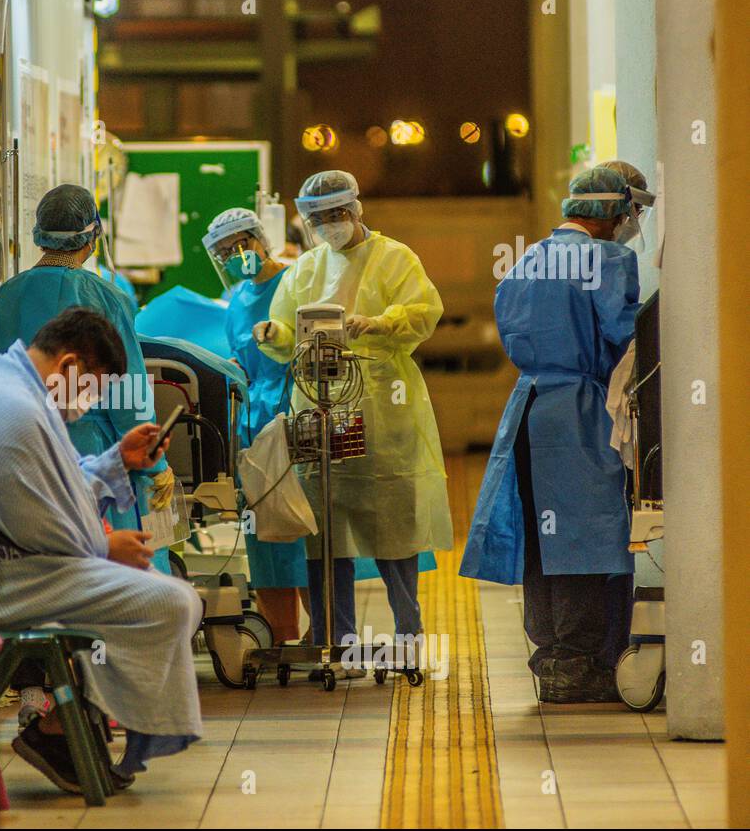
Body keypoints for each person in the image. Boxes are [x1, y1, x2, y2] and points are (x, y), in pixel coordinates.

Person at [0, 307, 204, 792]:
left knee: (167, 596)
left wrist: (117, 459)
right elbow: (51, 529)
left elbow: (62, 487)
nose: (92, 400)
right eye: (94, 387)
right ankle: (56, 728)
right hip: (8, 584)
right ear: (71, 365)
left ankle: (63, 725)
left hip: (19, 569)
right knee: (171, 601)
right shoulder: (16, 411)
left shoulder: (16, 390)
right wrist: (105, 544)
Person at [256, 170, 452, 678]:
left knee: (392, 524)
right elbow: (284, 333)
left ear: (356, 210)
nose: (329, 226)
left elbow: (425, 311)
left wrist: (382, 323)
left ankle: (408, 636)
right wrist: (271, 331)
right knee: (325, 529)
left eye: (336, 216)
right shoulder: (306, 268)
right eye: (319, 219)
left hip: (384, 408)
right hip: (320, 407)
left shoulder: (394, 257)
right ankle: (332, 640)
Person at [461, 165, 641, 704]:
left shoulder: (527, 258)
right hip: (582, 413)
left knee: (546, 540)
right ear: (615, 211)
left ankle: (554, 662)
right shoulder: (609, 259)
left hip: (530, 408)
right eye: (633, 212)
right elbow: (626, 335)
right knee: (590, 537)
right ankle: (586, 663)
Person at [0, 184, 177, 574]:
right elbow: (128, 391)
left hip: (27, 446)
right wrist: (156, 464)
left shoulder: (7, 296)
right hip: (98, 445)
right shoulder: (108, 297)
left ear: (40, 233)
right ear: (92, 234)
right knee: (125, 570)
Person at [206, 207, 309, 643]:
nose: (234, 256)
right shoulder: (236, 303)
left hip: (293, 415)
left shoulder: (293, 283)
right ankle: (279, 638)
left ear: (259, 239)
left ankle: (322, 631)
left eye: (239, 245)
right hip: (252, 426)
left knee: (300, 528)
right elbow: (243, 362)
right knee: (264, 536)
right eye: (224, 252)